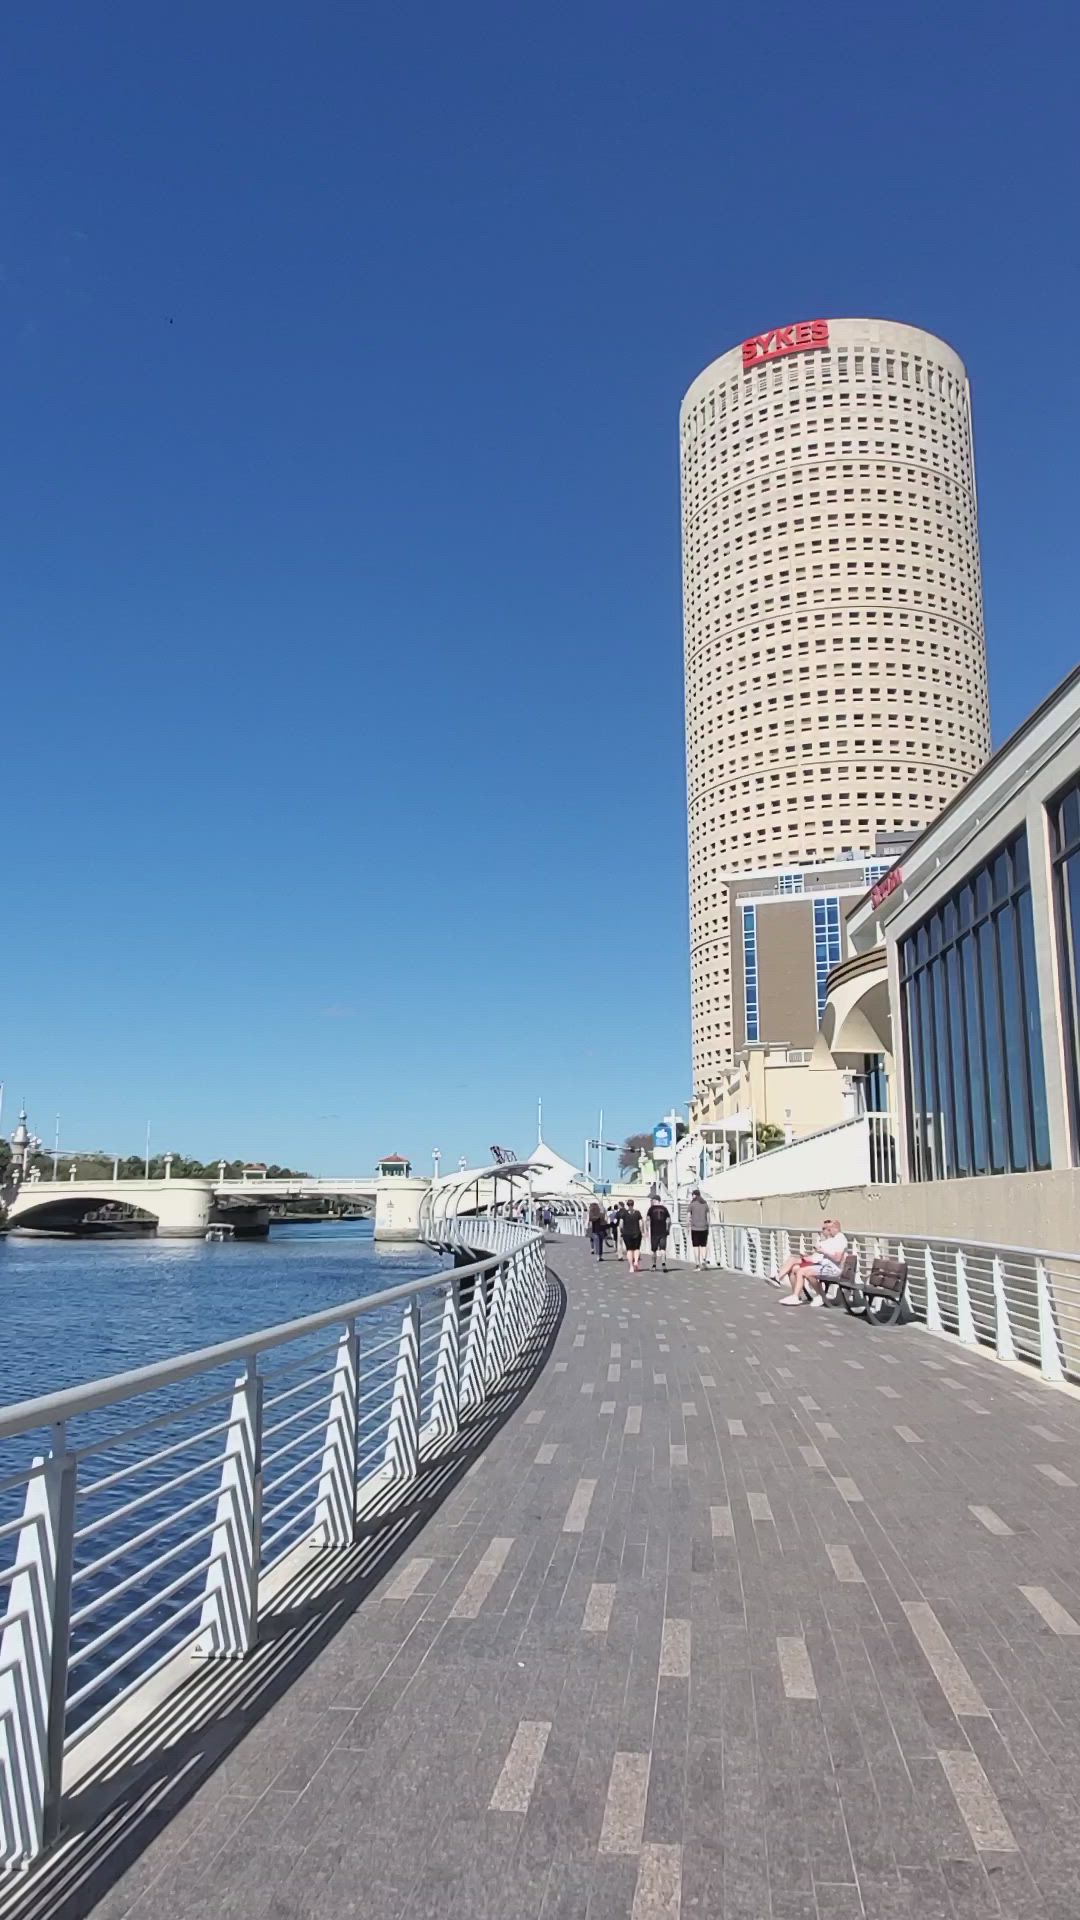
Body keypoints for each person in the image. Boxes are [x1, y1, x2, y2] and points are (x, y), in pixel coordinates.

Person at [771, 1218, 848, 1306]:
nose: (827, 1231)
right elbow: (823, 1256)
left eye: (828, 1229)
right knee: (795, 1267)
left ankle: (794, 1294)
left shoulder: (840, 1239)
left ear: (835, 1228)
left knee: (799, 1269)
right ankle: (795, 1294)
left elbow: (837, 1258)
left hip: (832, 1269)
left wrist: (822, 1251)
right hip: (826, 1266)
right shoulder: (835, 1239)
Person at [687, 1189, 710, 1269]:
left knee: (696, 1246)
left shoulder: (692, 1204)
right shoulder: (705, 1204)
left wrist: (688, 1226)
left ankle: (697, 1263)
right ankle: (704, 1260)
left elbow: (689, 1216)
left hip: (695, 1228)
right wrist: (707, 1225)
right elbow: (708, 1217)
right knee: (703, 1245)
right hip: (704, 1228)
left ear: (694, 1195)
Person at [646, 1195, 671, 1271]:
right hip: (663, 1231)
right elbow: (669, 1220)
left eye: (653, 1200)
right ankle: (663, 1264)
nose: (652, 1201)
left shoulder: (651, 1209)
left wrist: (647, 1230)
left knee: (654, 1250)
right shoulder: (664, 1208)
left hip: (654, 1232)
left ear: (655, 1200)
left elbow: (647, 1220)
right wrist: (668, 1229)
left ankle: (654, 1265)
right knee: (663, 1249)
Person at [620, 1200, 644, 1273]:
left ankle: (631, 1267)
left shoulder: (623, 1213)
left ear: (627, 1205)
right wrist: (642, 1231)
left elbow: (621, 1224)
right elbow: (641, 1223)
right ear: (633, 1204)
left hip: (627, 1234)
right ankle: (636, 1261)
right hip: (637, 1233)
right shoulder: (637, 1213)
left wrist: (622, 1230)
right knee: (636, 1249)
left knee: (629, 1250)